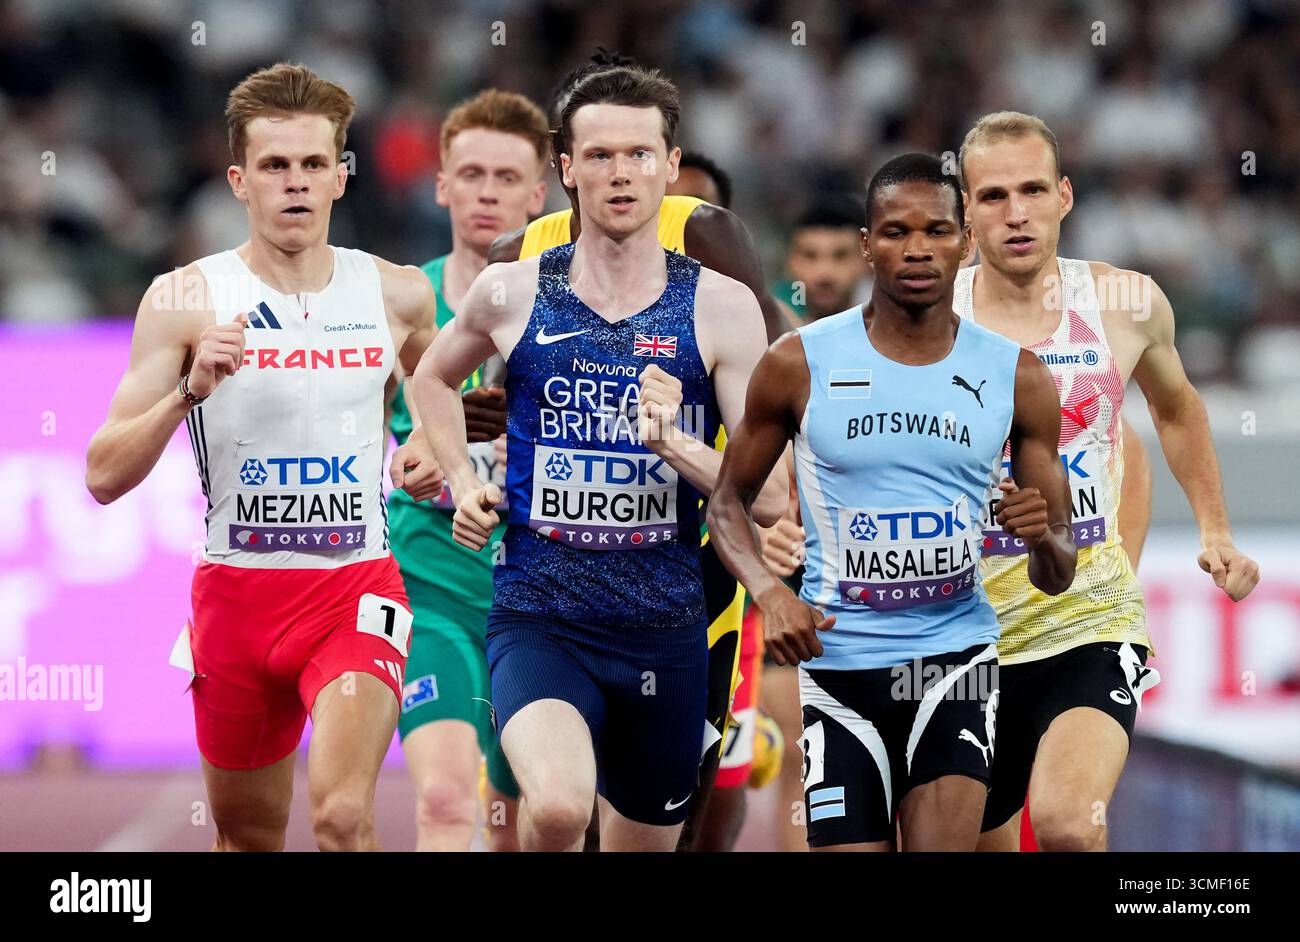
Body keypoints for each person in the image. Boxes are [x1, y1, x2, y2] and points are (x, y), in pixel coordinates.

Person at [412, 65, 787, 851]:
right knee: (554, 808)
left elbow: (772, 498)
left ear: (671, 166)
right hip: (539, 614)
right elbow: (431, 380)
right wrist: (464, 478)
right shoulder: (510, 292)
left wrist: (677, 442)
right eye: (601, 155)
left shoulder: (721, 308)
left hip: (665, 626)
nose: (621, 173)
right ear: (566, 169)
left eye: (640, 155)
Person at [85, 63, 443, 851]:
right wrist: (188, 390)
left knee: (343, 818)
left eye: (314, 165)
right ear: (240, 182)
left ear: (342, 177)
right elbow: (103, 474)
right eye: (276, 167)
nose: (296, 184)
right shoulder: (184, 298)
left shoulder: (398, 294)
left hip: (355, 590)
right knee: (247, 837)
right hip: (235, 603)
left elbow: (445, 408)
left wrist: (435, 451)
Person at [706, 153, 1078, 851]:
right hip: (841, 667)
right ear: (867, 243)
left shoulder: (1017, 376)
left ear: (966, 241)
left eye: (935, 231)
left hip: (956, 661)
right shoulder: (797, 361)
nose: (916, 249)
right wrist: (768, 592)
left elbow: (1057, 571)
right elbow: (726, 505)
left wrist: (1043, 539)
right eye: (896, 232)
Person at [956, 111, 1261, 851]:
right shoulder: (928, 321)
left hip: (1089, 621)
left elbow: (1177, 409)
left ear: (1065, 195)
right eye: (993, 196)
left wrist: (1215, 530)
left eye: (1032, 189)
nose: (1017, 212)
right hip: (960, 633)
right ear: (965, 214)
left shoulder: (1126, 304)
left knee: (1066, 824)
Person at [387, 89, 549, 851]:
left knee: (531, 823)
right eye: (471, 173)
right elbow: (369, 461)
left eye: (508, 177)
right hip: (435, 598)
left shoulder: (577, 307)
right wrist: (420, 465)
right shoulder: (397, 306)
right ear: (441, 184)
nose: (488, 192)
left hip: (548, 602)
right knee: (449, 802)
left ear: (542, 192)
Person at [775, 198, 872, 322]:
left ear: (865, 259)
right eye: (809, 255)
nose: (824, 274)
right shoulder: (766, 325)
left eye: (841, 256)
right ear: (790, 262)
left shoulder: (893, 327)